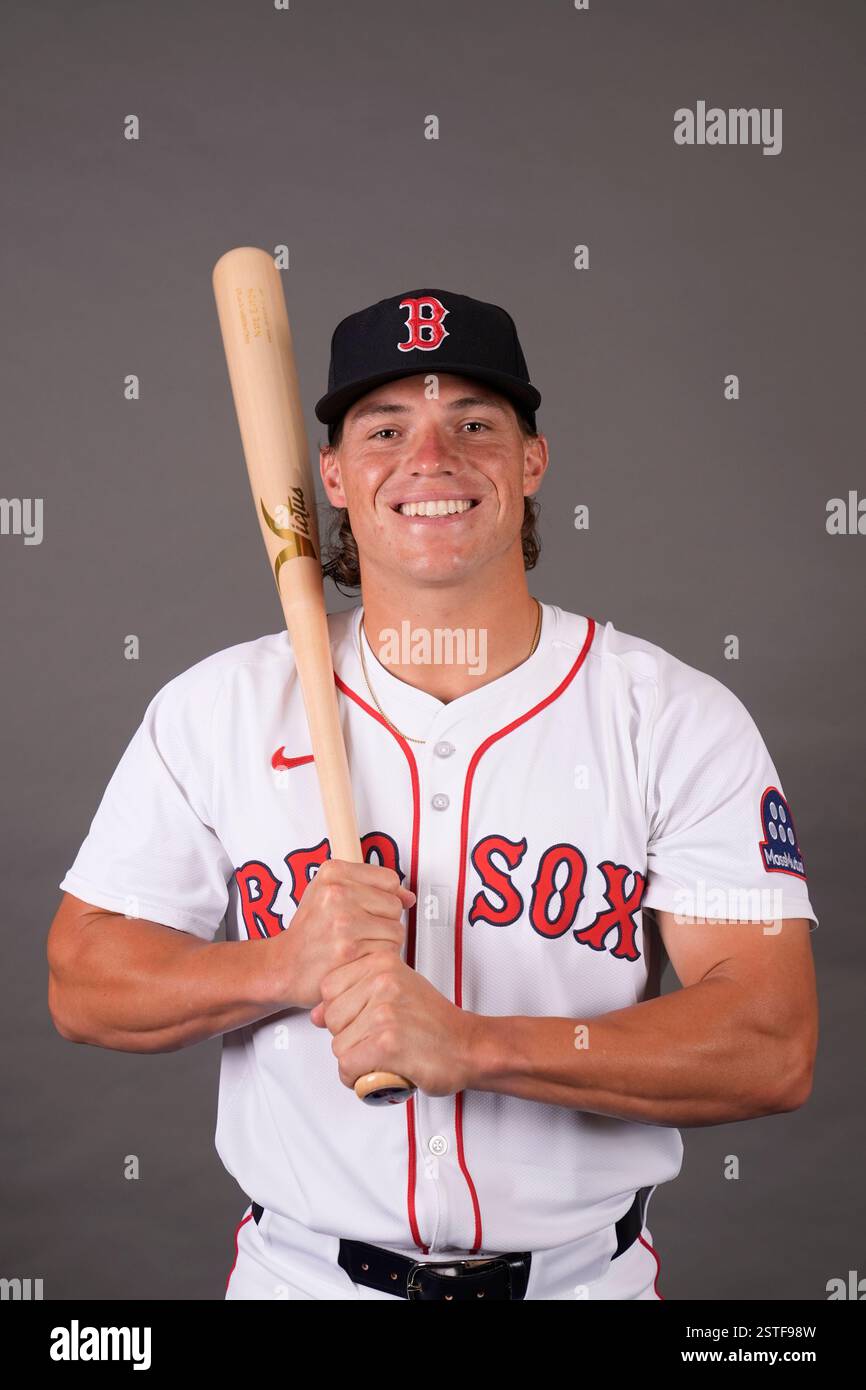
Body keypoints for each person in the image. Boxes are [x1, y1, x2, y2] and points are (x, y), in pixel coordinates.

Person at [48, 287, 819, 1301]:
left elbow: (769, 1043)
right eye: (384, 428)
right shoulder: (221, 706)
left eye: (472, 423)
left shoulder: (670, 716)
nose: (430, 460)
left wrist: (474, 1044)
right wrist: (281, 964)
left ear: (531, 460)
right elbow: (84, 979)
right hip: (306, 1283)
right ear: (328, 473)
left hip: (579, 1285)